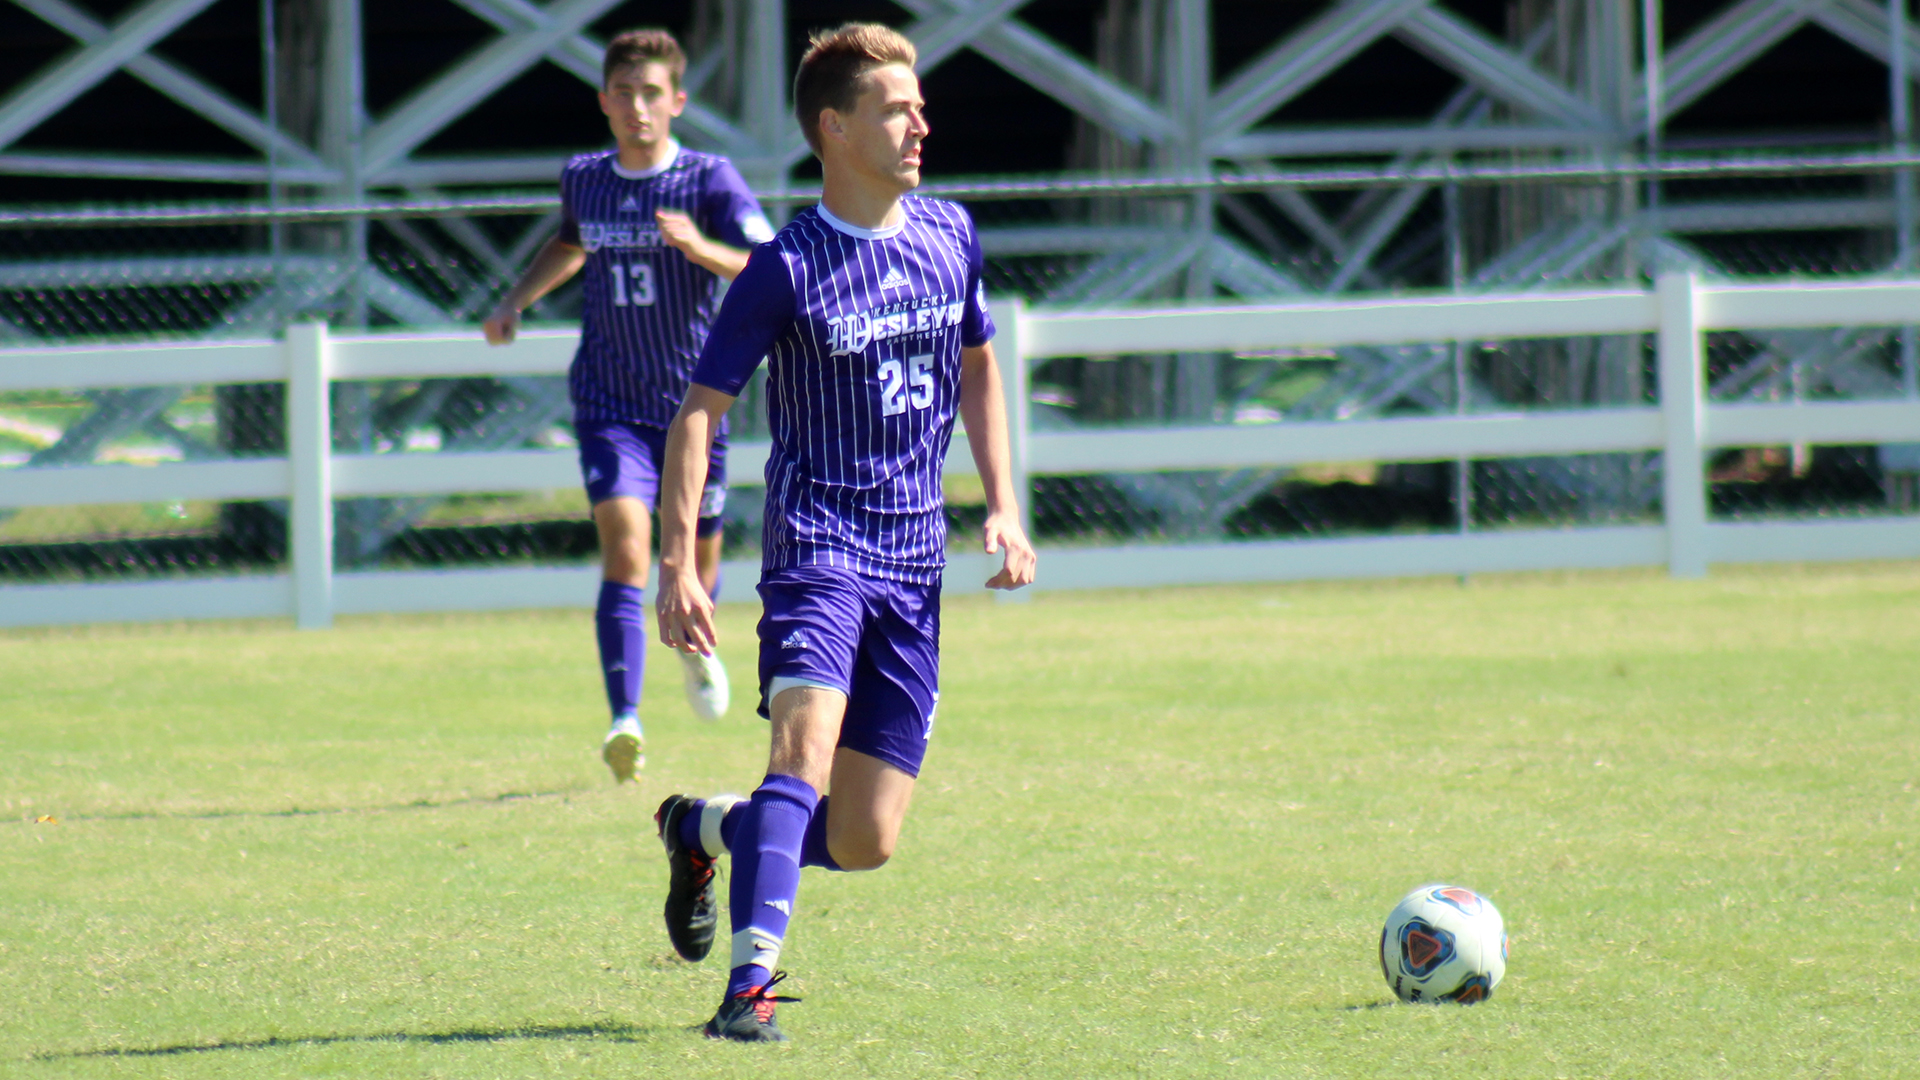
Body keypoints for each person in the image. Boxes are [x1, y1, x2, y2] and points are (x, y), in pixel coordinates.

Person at [649, 23, 1037, 1043]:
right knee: (802, 754)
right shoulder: (786, 267)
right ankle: (747, 991)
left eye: (919, 106)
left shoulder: (951, 234)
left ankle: (706, 828)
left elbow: (980, 361)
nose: (922, 124)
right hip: (820, 552)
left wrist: (1003, 500)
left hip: (915, 568)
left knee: (865, 840)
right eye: (897, 109)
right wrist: (680, 562)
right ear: (835, 127)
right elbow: (699, 413)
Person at [483, 29, 773, 782]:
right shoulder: (586, 178)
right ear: (605, 102)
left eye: (652, 94)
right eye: (624, 93)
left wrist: (700, 249)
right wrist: (515, 299)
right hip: (608, 399)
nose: (638, 107)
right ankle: (624, 718)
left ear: (676, 102)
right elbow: (570, 242)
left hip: (693, 407)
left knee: (697, 559)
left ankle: (694, 649)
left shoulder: (709, 179)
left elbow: (767, 266)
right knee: (628, 546)